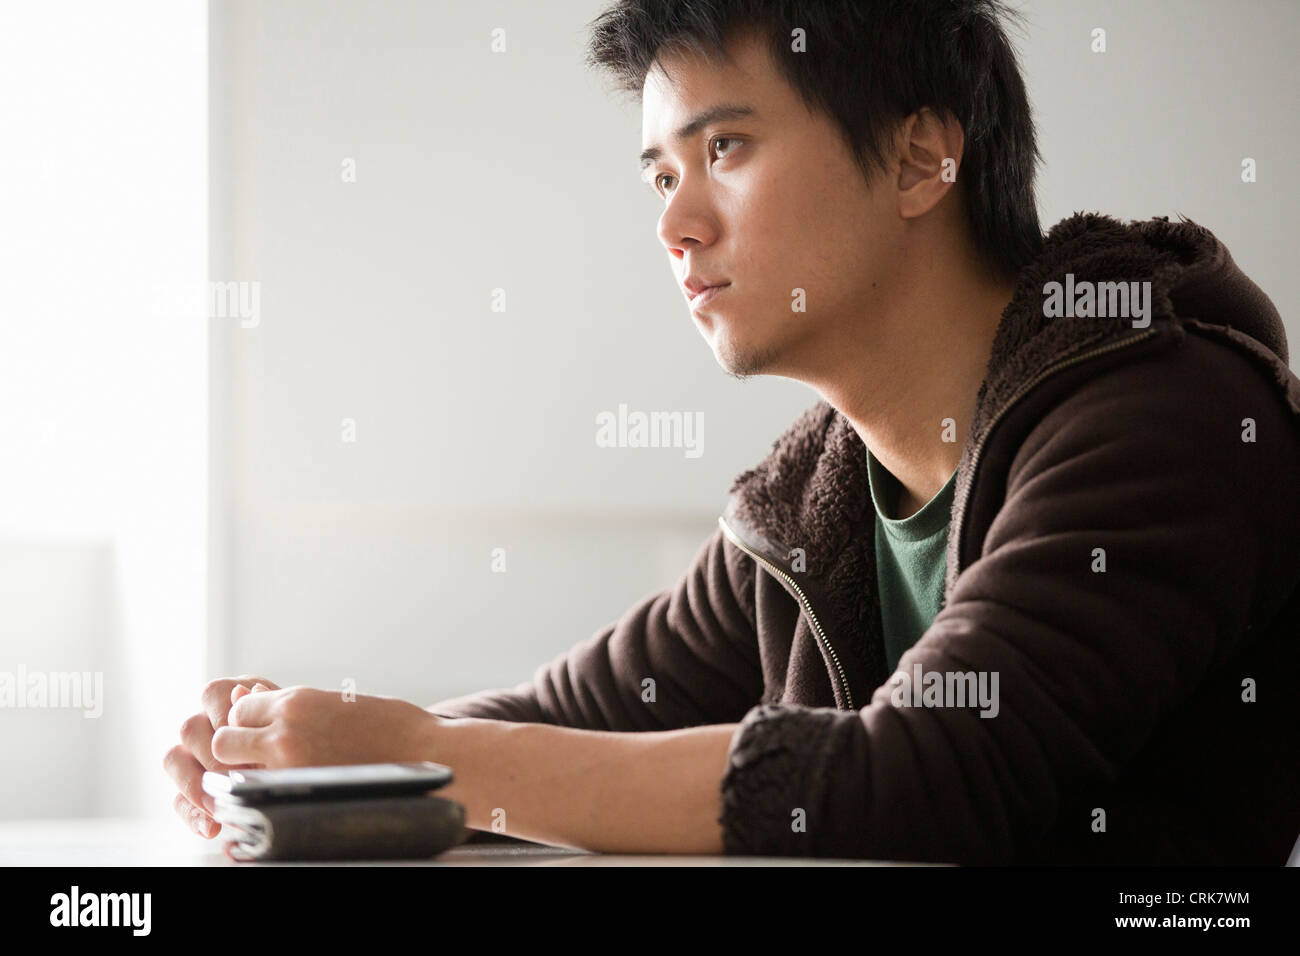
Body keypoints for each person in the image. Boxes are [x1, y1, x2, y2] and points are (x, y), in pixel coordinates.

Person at [164, 0, 1300, 864]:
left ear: (920, 160)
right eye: (660, 172)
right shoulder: (808, 504)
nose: (673, 222)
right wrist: (298, 757)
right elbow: (567, 719)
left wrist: (427, 755)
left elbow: (931, 772)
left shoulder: (1165, 410)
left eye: (724, 151)